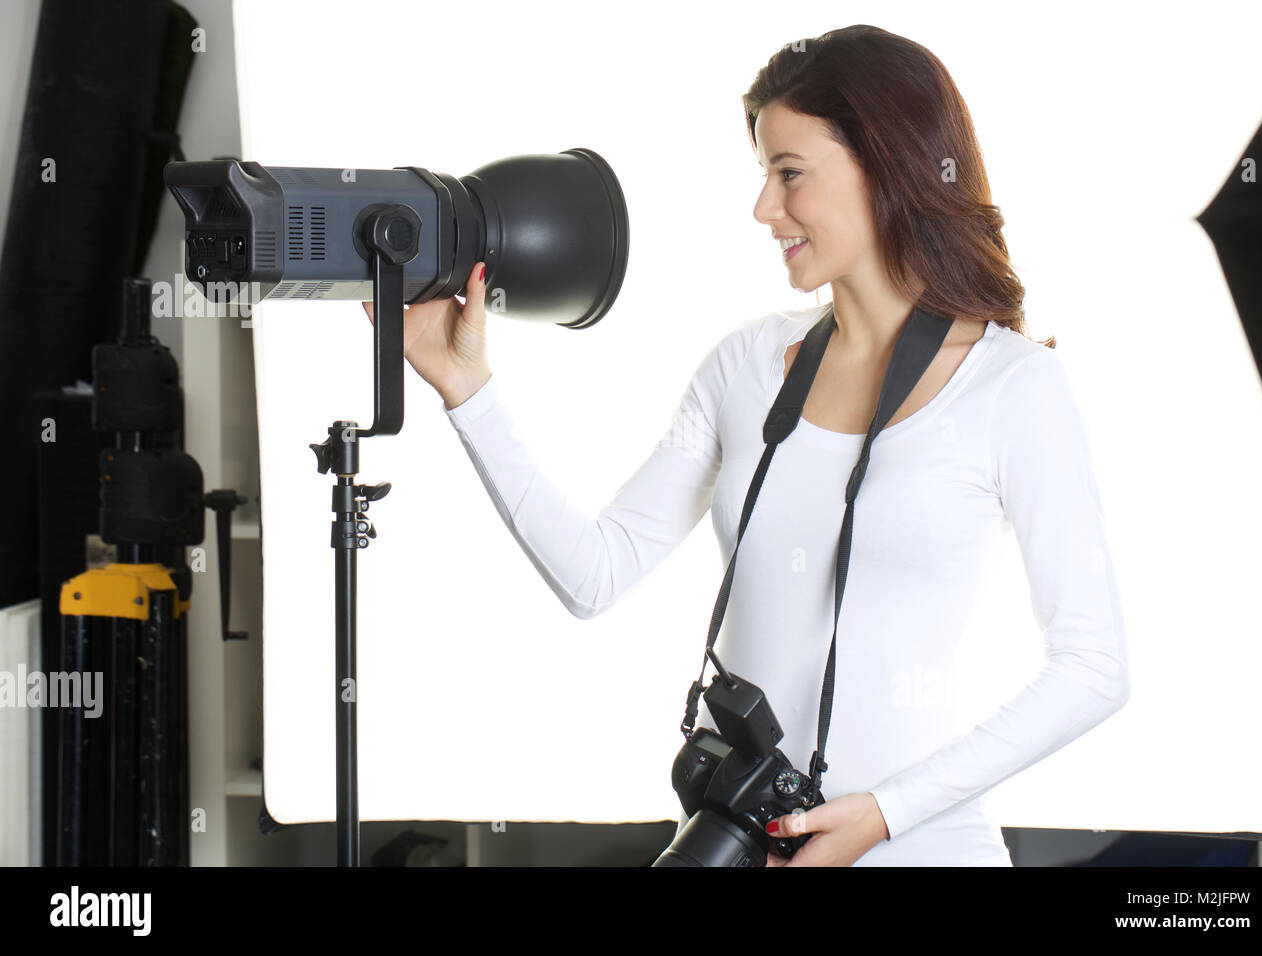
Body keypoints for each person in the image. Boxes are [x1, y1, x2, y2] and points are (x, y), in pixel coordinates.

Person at [363, 25, 1129, 867]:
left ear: (887, 165)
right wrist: (467, 390)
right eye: (765, 174)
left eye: (789, 174)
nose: (764, 208)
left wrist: (881, 814)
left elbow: (1094, 666)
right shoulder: (748, 366)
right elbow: (597, 573)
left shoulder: (1013, 387)